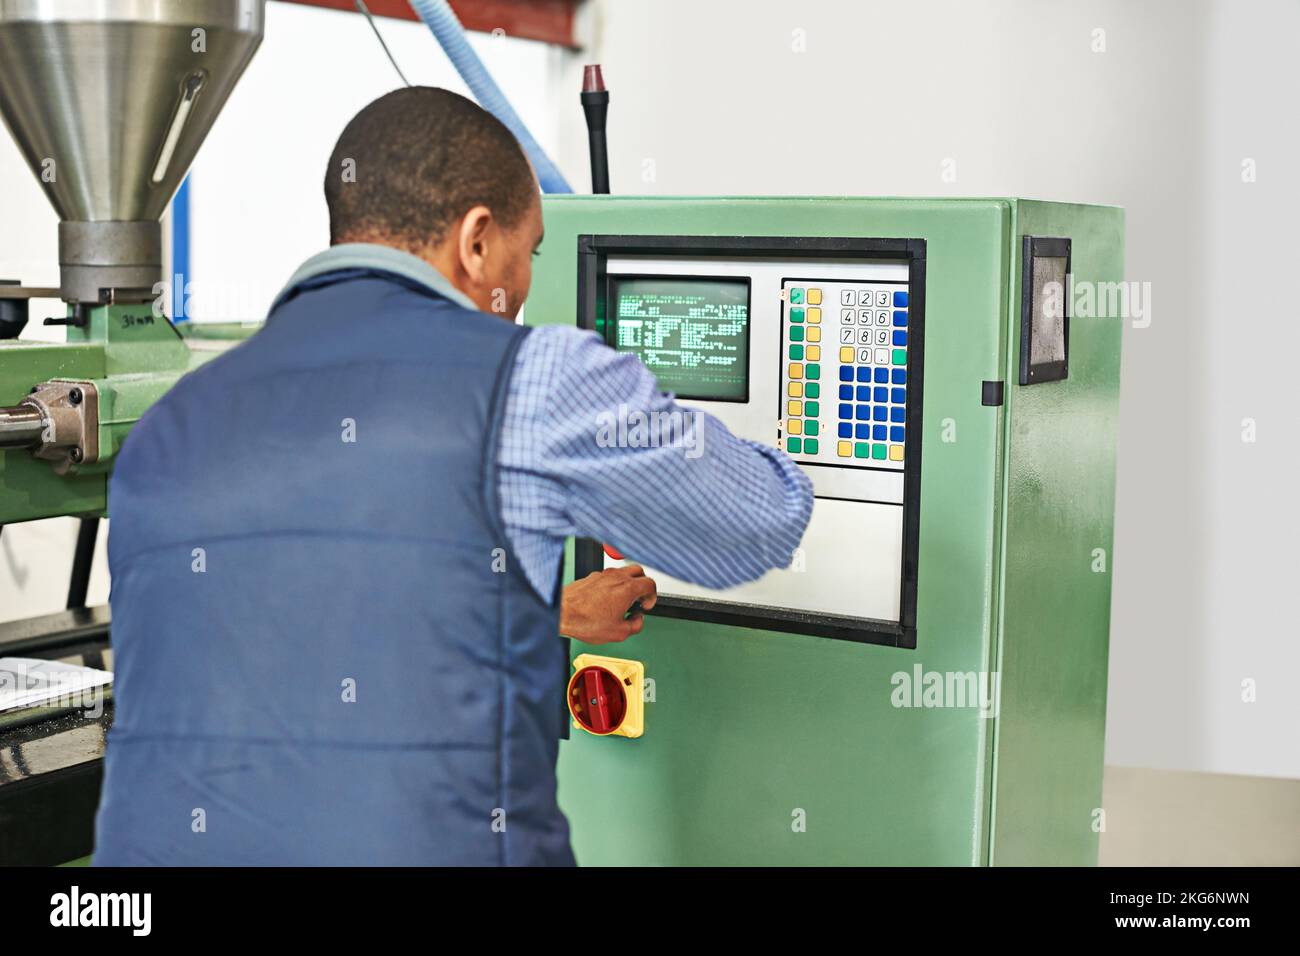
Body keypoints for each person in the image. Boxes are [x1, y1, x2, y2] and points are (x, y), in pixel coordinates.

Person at [93, 87, 812, 866]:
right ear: (476, 242)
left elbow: (315, 622)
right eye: (529, 252)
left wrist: (545, 609)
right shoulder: (536, 382)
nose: (528, 283)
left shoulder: (171, 419)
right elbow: (764, 520)